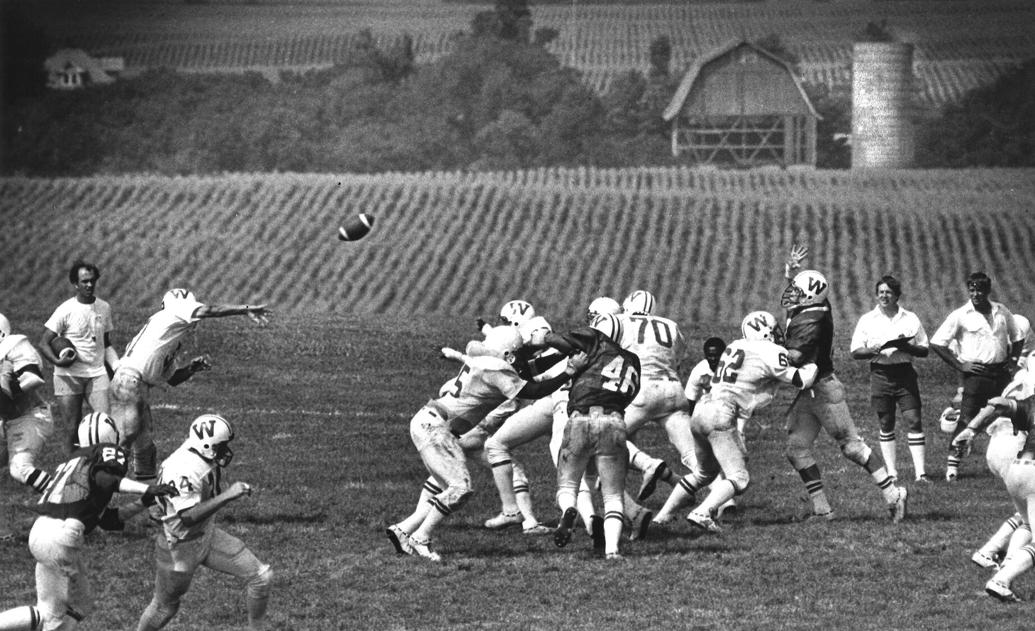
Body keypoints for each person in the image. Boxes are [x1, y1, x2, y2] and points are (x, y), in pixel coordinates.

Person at [387, 326, 583, 562]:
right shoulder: (497, 369)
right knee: (460, 488)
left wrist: (561, 355)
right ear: (509, 354)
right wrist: (569, 371)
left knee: (443, 486)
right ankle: (421, 538)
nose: (524, 356)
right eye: (519, 352)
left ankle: (403, 530)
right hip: (437, 428)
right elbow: (534, 389)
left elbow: (528, 369)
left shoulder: (487, 360)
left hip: (430, 422)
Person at [0, 412, 177, 631]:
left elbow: (109, 520)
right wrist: (147, 487)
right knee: (50, 617)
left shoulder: (74, 464)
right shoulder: (104, 454)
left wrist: (143, 502)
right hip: (61, 536)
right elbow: (105, 480)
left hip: (42, 531)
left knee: (81, 604)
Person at [654, 312, 818, 532]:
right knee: (739, 477)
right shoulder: (769, 350)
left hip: (702, 410)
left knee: (703, 474)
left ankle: (662, 517)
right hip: (721, 414)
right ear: (765, 331)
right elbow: (802, 380)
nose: (778, 335)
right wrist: (815, 361)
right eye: (774, 330)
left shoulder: (735, 345)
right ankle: (702, 512)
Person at [779, 245, 907, 522]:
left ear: (810, 296)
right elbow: (794, 302)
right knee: (796, 448)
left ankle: (894, 494)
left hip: (824, 390)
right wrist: (792, 273)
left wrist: (764, 350)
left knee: (851, 446)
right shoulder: (813, 306)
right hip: (810, 391)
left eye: (799, 292)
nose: (793, 295)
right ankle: (823, 510)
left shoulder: (813, 318)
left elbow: (794, 356)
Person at [110, 288, 271, 481]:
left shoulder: (170, 337)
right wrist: (244, 309)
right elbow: (209, 310)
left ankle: (152, 505)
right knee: (125, 438)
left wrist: (191, 369)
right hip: (130, 380)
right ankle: (98, 489)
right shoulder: (175, 310)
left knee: (145, 448)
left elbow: (172, 379)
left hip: (136, 384)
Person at [136, 414, 271, 630]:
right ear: (207, 444)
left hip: (206, 534)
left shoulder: (199, 454)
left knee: (260, 577)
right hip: (179, 547)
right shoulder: (183, 468)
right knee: (165, 606)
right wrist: (228, 495)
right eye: (221, 445)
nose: (225, 450)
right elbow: (187, 517)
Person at [532, 313, 641, 560]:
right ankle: (612, 551)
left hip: (580, 418)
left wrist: (544, 337)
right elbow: (631, 394)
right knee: (613, 495)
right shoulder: (633, 359)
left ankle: (570, 509)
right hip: (613, 420)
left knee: (568, 485)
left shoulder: (596, 340)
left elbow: (565, 342)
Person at [930, 272, 1024, 482]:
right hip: (976, 375)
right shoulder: (961, 314)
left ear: (987, 291)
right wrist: (961, 365)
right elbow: (937, 342)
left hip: (1001, 373)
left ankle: (1011, 463)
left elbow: (1018, 336)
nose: (976, 294)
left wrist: (1013, 361)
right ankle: (952, 466)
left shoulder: (1001, 311)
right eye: (972, 290)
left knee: (1009, 418)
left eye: (980, 290)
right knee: (966, 419)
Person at [951, 392, 1035, 602]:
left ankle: (1007, 564)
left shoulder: (1032, 401)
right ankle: (1001, 580)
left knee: (1026, 524)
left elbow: (997, 403)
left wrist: (971, 429)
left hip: (1017, 471)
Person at [849, 274, 931, 483]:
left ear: (897, 296)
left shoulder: (910, 317)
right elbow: (855, 351)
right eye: (881, 292)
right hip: (880, 373)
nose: (884, 296)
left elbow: (924, 349)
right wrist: (872, 350)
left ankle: (920, 474)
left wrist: (908, 347)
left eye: (889, 292)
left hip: (905, 373)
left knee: (914, 420)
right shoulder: (867, 320)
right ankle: (892, 472)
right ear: (877, 295)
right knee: (886, 422)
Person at [39, 260, 120, 452]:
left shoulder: (104, 307)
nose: (89, 285)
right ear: (75, 284)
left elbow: (106, 342)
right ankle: (69, 474)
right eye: (84, 281)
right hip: (69, 376)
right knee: (71, 429)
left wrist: (117, 367)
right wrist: (58, 361)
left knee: (107, 425)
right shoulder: (65, 309)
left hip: (97, 373)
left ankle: (106, 470)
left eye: (92, 281)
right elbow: (44, 342)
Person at [1, 314, 57, 541]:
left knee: (19, 468)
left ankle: (65, 499)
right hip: (7, 420)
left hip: (30, 417)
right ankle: (3, 531)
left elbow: (34, 378)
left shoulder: (14, 346)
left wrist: (7, 390)